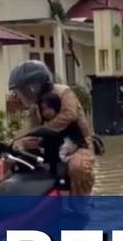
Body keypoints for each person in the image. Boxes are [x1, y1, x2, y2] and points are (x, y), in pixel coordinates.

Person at [9, 60, 96, 195]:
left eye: (26, 89)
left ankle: (81, 210)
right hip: (50, 147)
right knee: (12, 161)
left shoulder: (63, 92)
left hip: (78, 145)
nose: (25, 94)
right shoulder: (35, 107)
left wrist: (44, 130)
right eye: (21, 91)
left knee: (78, 168)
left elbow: (69, 114)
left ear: (37, 85)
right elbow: (28, 131)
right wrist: (23, 143)